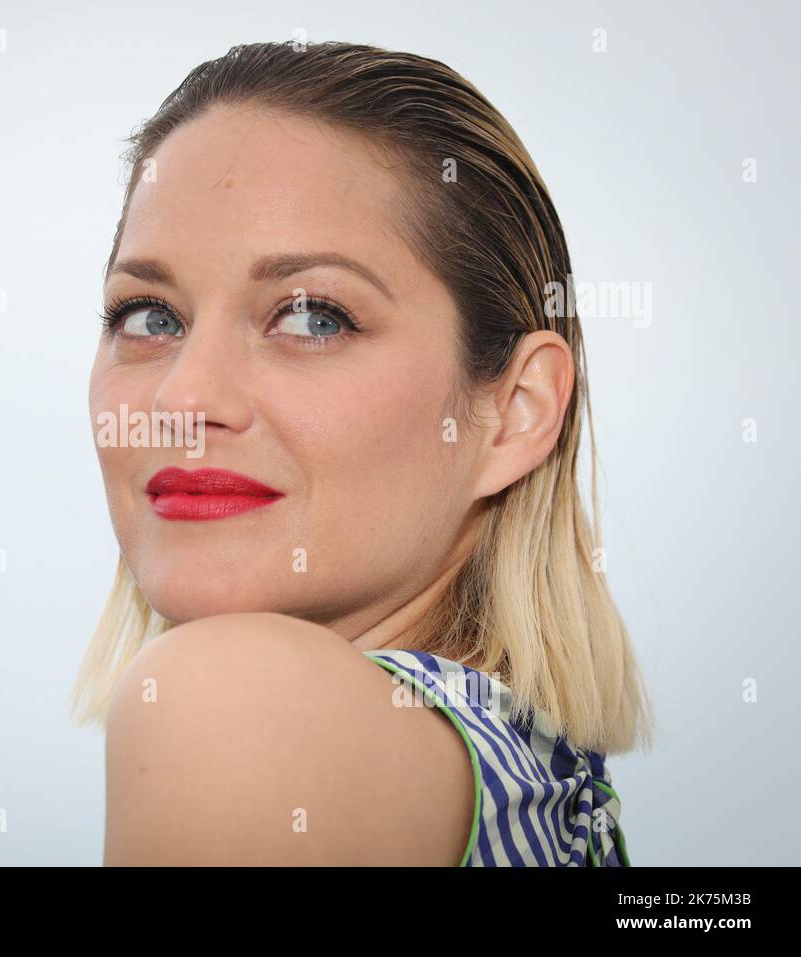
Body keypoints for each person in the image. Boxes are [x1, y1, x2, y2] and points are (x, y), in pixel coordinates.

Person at [72, 40, 653, 866]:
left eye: (312, 317)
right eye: (149, 316)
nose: (182, 400)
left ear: (515, 412)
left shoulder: (225, 703)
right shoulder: (551, 794)